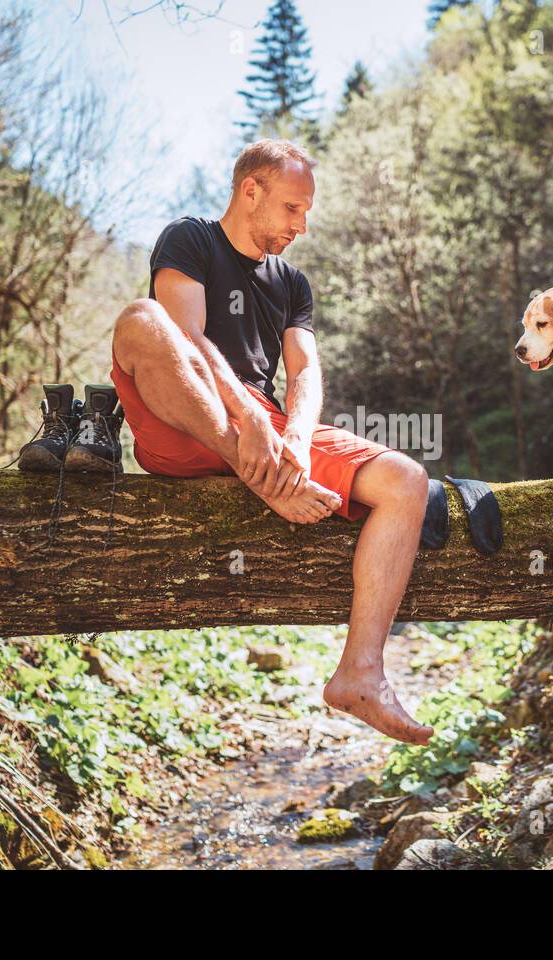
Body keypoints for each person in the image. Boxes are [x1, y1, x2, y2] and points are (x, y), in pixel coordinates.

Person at [110, 139, 433, 745]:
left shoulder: (292, 282)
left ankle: (360, 672)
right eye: (292, 208)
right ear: (250, 191)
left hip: (267, 427)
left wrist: (300, 438)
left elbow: (304, 371)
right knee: (140, 319)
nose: (301, 225)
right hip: (185, 420)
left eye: (306, 212)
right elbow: (184, 340)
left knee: (406, 480)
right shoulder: (190, 239)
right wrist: (247, 424)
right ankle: (265, 483)